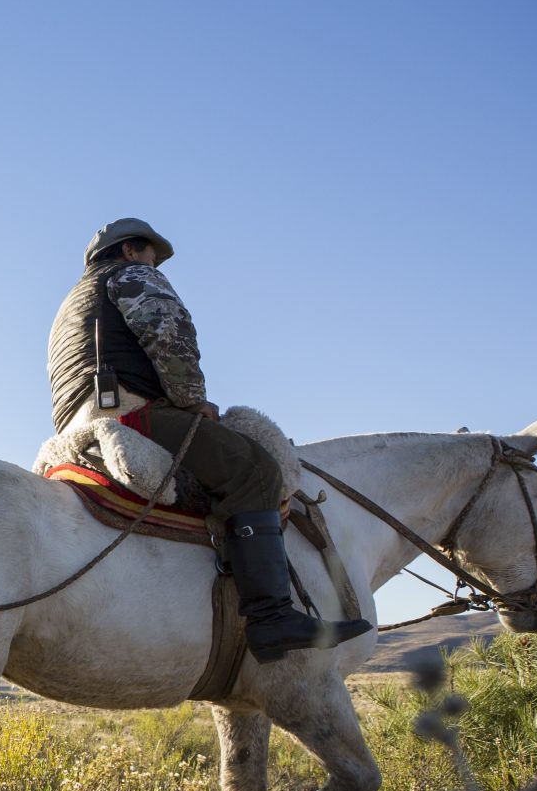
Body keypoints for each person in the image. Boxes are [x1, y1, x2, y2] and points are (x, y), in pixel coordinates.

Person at [46, 217, 372, 661]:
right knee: (257, 470)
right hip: (132, 413)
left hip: (77, 424)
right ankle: (272, 616)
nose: (154, 264)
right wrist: (192, 399)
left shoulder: (70, 303)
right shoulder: (131, 275)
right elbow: (168, 333)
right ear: (129, 250)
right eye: (150, 254)